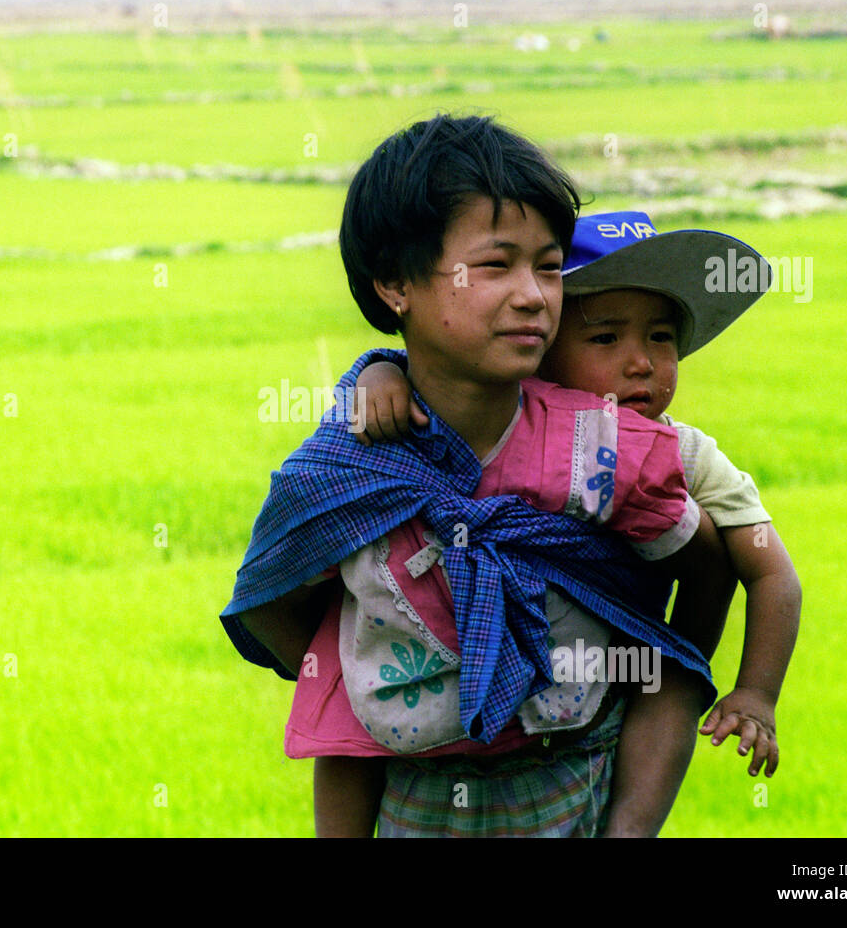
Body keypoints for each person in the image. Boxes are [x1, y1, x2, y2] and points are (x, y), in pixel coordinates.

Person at [220, 114, 741, 837]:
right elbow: (269, 598)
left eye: (550, 267)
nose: (533, 295)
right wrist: (383, 677)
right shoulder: (349, 463)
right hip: (411, 802)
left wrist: (667, 679)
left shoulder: (598, 447)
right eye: (496, 266)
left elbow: (708, 564)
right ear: (396, 282)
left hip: (574, 791)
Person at [342, 210, 801, 832]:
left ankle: (632, 826)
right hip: (441, 709)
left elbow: (773, 572)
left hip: (611, 686)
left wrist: (756, 695)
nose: (641, 363)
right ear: (541, 345)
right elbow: (429, 379)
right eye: (606, 339)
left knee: (672, 677)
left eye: (661, 338)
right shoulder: (499, 420)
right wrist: (377, 370)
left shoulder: (687, 455)